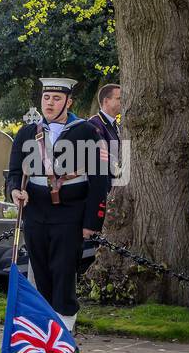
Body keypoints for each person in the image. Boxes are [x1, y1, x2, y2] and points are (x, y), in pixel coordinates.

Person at [7, 78, 111, 332]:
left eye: (56, 98)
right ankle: (44, 331)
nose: (50, 103)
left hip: (70, 212)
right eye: (46, 98)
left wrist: (92, 222)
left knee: (63, 272)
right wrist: (15, 192)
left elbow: (99, 180)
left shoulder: (85, 131)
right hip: (35, 212)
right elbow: (13, 174)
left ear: (68, 101)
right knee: (41, 273)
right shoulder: (27, 133)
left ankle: (64, 335)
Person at [88, 82, 122, 195]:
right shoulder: (95, 123)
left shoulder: (115, 124)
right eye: (119, 98)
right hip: (104, 187)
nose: (123, 102)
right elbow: (99, 155)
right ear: (106, 101)